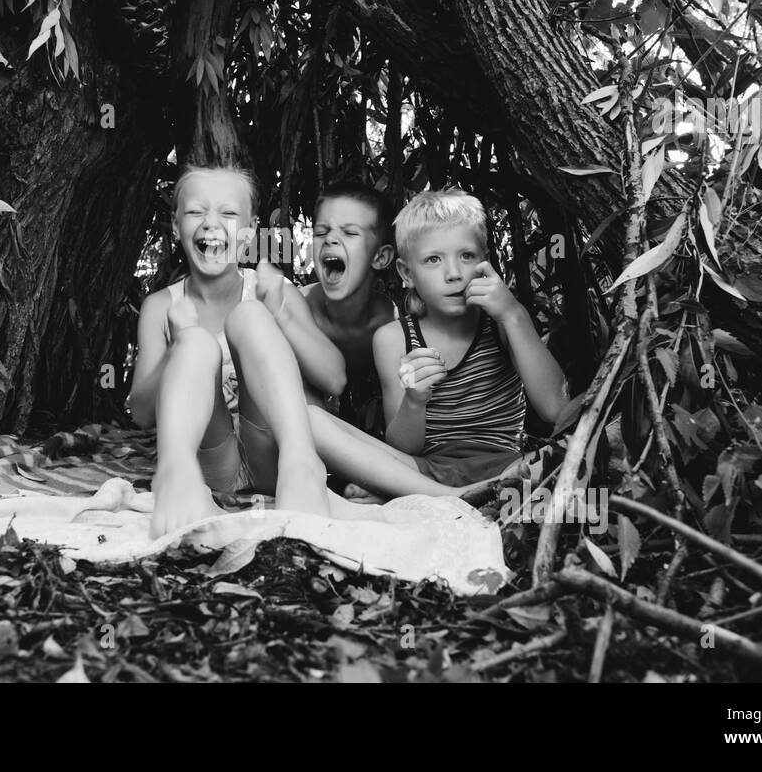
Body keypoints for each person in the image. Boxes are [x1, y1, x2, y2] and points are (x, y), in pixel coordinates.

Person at [126, 163, 346, 536]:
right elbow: (142, 413)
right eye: (196, 211)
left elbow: (335, 379)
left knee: (249, 317)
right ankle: (176, 474)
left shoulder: (271, 288)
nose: (211, 223)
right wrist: (175, 348)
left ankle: (302, 463)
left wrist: (279, 314)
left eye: (228, 213)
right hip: (213, 466)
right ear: (177, 226)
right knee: (194, 343)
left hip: (274, 458)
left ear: (248, 231)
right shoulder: (161, 307)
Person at [305, 189, 568, 496]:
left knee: (566, 450)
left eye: (466, 256)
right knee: (310, 420)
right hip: (427, 470)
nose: (454, 274)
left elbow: (556, 408)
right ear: (407, 273)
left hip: (507, 466)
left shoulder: (502, 319)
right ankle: (453, 497)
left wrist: (513, 315)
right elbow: (404, 446)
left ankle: (406, 495)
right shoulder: (393, 338)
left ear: (484, 262)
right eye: (433, 260)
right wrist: (415, 401)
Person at [300, 182, 398, 434]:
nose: (331, 239)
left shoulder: (389, 322)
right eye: (321, 232)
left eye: (349, 233)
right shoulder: (298, 309)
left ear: (381, 257)